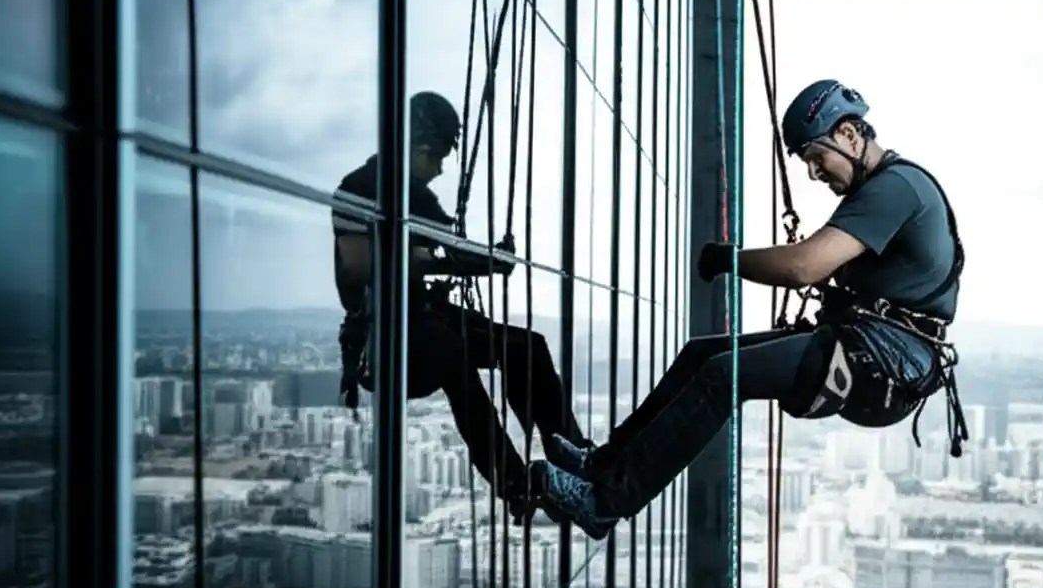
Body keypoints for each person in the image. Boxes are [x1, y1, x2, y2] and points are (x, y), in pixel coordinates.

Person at [527, 79, 969, 539]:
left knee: (723, 375)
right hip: (871, 348)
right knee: (701, 355)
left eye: (817, 158)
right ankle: (603, 464)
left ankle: (605, 503)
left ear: (850, 135)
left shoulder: (895, 188)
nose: (814, 174)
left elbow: (804, 266)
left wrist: (729, 259)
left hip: (886, 362)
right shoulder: (884, 191)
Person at [334, 91, 587, 522]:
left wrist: (480, 260)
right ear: (420, 149)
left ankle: (571, 458)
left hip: (419, 326)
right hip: (388, 341)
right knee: (453, 356)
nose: (440, 170)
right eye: (439, 158)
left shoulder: (409, 195)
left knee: (527, 346)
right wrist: (472, 260)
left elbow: (447, 251)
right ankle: (515, 485)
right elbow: (359, 267)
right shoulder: (359, 189)